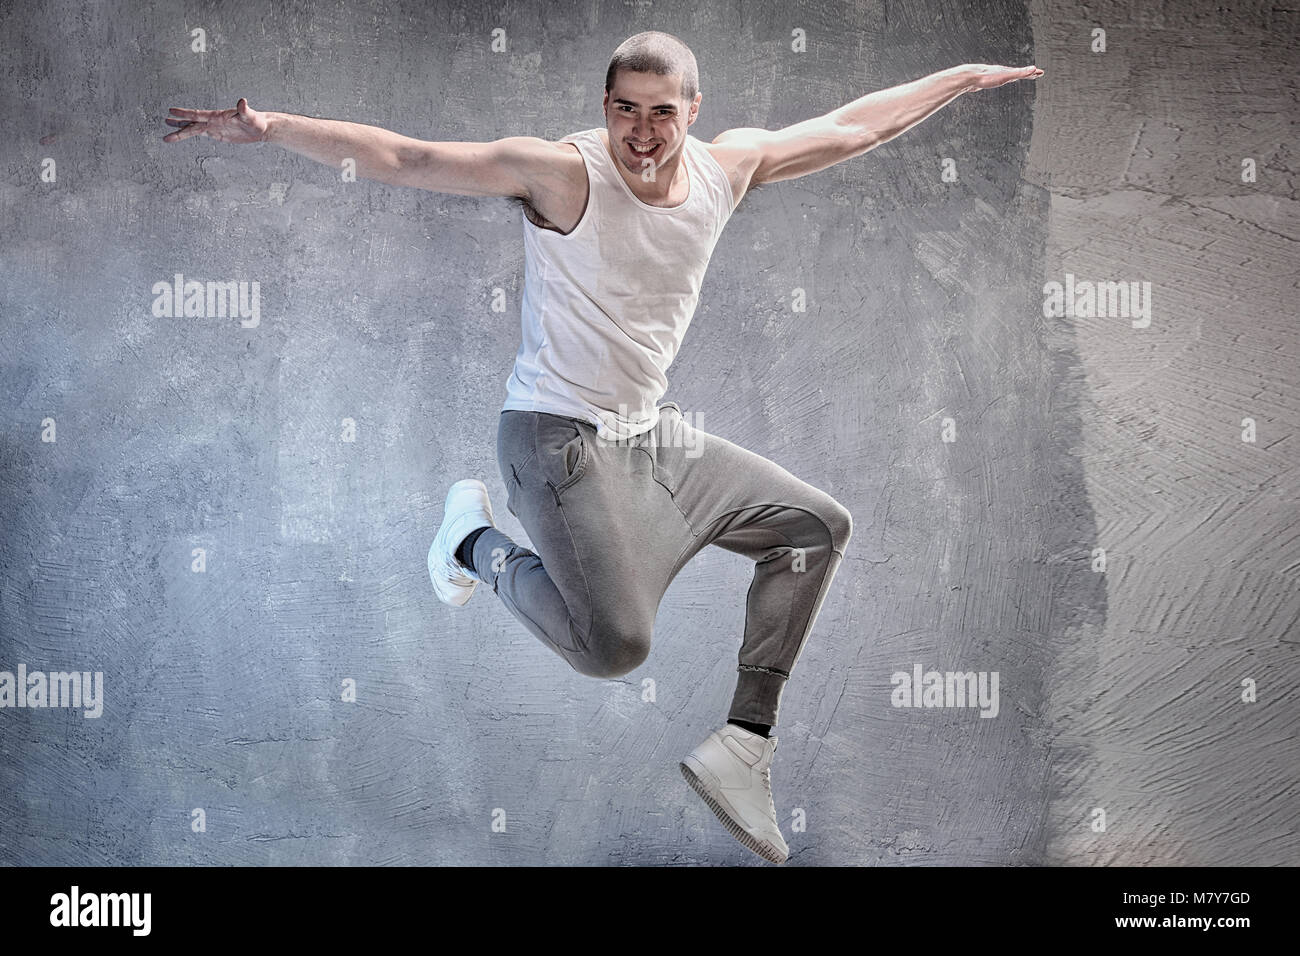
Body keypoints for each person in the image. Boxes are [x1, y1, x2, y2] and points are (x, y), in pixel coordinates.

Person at [164, 30, 1041, 864]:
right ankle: (471, 542)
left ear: (694, 110)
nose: (643, 133)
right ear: (606, 105)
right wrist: (273, 127)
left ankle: (744, 743)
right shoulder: (559, 174)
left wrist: (957, 79)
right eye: (627, 110)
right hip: (550, 435)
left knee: (814, 528)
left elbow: (854, 125)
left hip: (646, 434)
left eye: (662, 112)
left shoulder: (726, 169)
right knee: (613, 647)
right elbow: (409, 155)